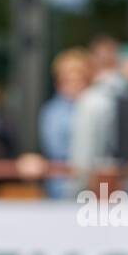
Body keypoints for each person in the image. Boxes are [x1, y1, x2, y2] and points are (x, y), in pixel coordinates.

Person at [68, 34, 128, 193]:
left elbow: (83, 157)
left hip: (96, 193)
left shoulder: (90, 100)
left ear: (93, 62)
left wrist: (75, 191)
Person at [38, 47, 91, 199]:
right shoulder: (52, 112)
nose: (73, 85)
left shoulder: (96, 108)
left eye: (78, 79)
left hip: (93, 190)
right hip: (61, 189)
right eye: (68, 80)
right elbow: (55, 149)